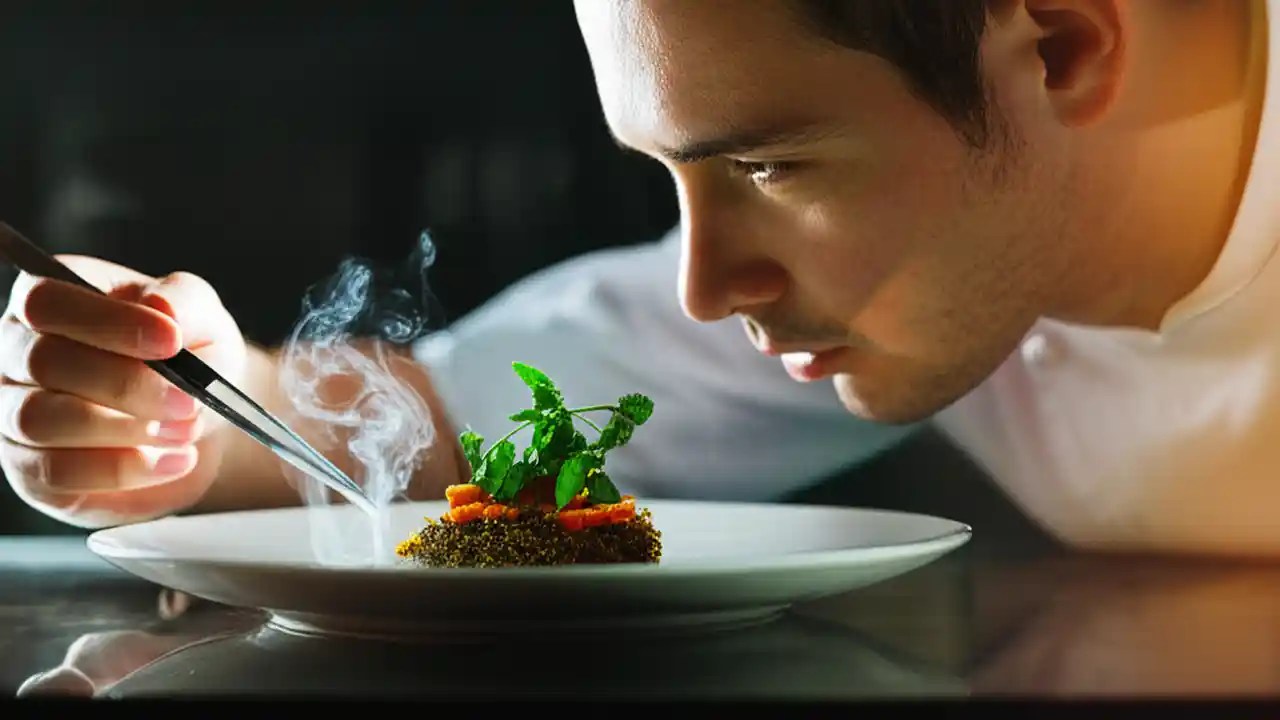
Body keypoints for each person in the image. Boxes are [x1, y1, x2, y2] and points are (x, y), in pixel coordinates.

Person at [0, 0, 1275, 554]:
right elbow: (445, 433)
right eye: (673, 176)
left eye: (770, 165)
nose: (702, 289)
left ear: (1056, 50)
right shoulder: (936, 256)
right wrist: (181, 402)